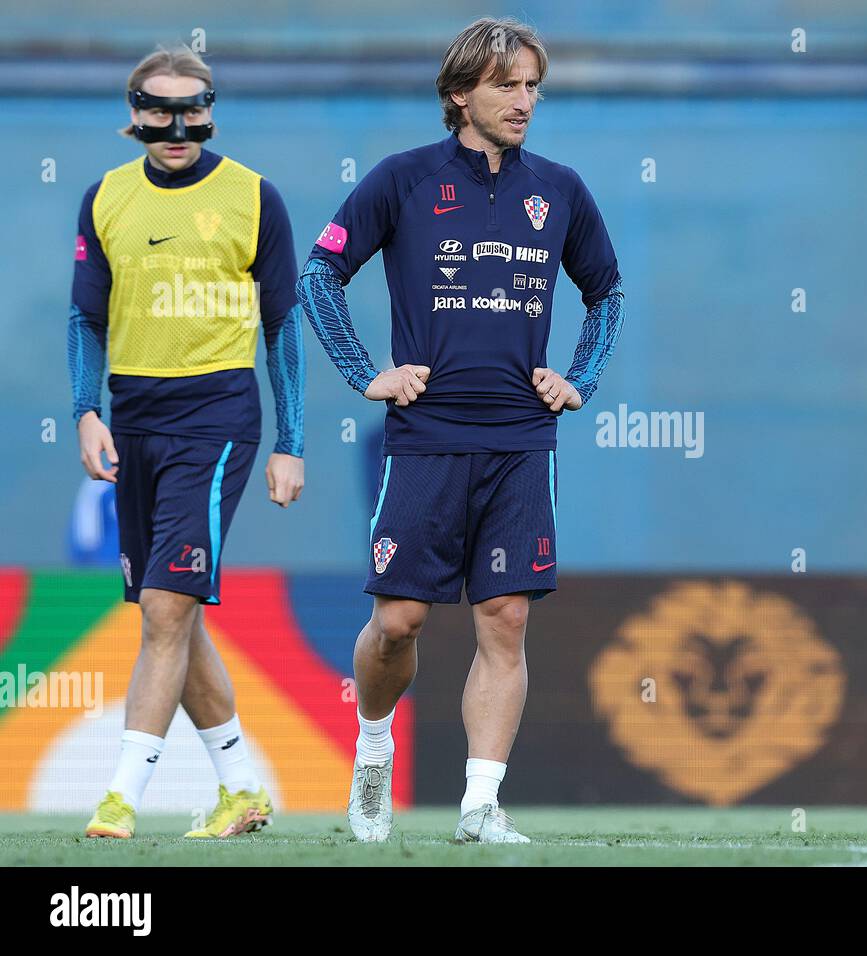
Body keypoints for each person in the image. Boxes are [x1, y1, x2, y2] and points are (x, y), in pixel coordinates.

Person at [297, 17, 625, 843]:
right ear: (459, 94)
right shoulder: (402, 180)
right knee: (400, 621)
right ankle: (374, 750)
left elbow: (607, 294)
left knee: (506, 617)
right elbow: (319, 274)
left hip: (522, 440)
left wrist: (577, 378)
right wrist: (365, 370)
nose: (525, 101)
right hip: (424, 440)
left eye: (532, 86)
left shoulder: (561, 189)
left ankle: (480, 804)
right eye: (507, 85)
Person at [72, 46, 305, 839]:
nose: (176, 128)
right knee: (173, 613)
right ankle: (241, 788)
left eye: (191, 110)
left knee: (167, 605)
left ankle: (118, 797)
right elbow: (86, 320)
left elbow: (282, 328)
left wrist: (291, 440)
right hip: (133, 422)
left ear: (210, 109)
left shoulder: (253, 197)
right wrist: (83, 410)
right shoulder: (104, 198)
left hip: (218, 421)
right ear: (134, 114)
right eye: (158, 111)